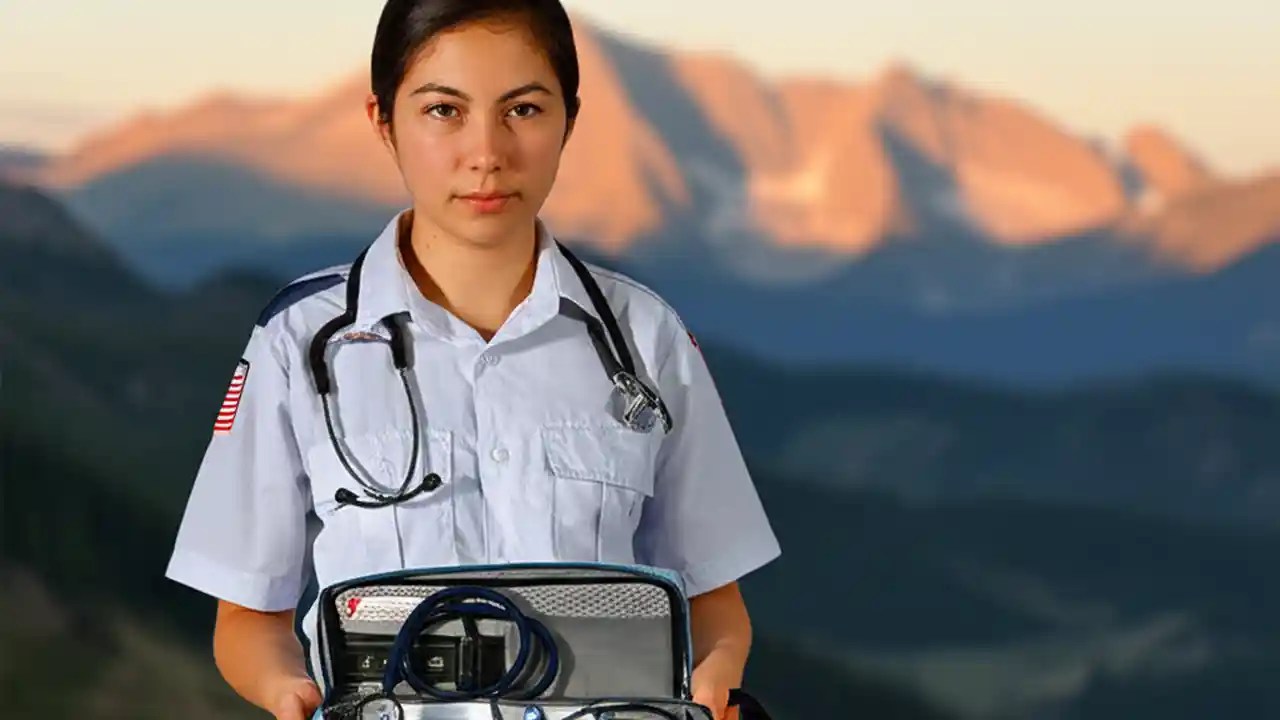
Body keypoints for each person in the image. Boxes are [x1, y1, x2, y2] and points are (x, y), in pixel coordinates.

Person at [163, 1, 781, 719]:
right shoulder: (296, 344)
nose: (486, 152)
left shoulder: (649, 339)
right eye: (443, 111)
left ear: (570, 121)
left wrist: (715, 677)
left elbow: (714, 604)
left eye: (522, 109)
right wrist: (288, 693)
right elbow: (246, 620)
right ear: (382, 120)